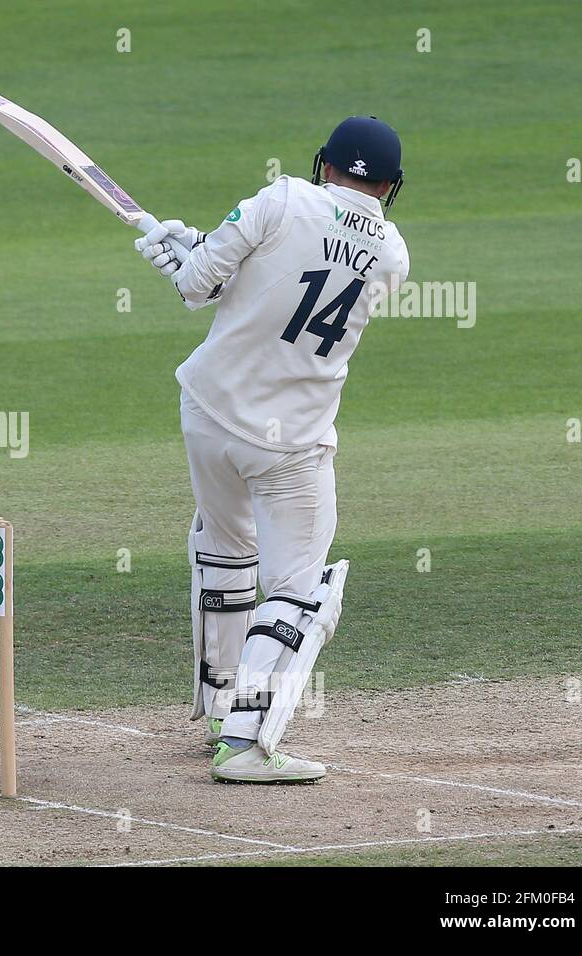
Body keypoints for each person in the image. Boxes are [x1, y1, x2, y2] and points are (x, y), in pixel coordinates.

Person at [135, 116, 410, 783]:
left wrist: (184, 251)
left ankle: (220, 707)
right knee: (301, 588)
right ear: (392, 187)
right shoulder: (393, 254)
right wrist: (202, 254)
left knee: (227, 550)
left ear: (324, 164)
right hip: (291, 442)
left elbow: (202, 286)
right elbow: (290, 293)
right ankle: (246, 742)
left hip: (207, 411)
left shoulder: (280, 197)